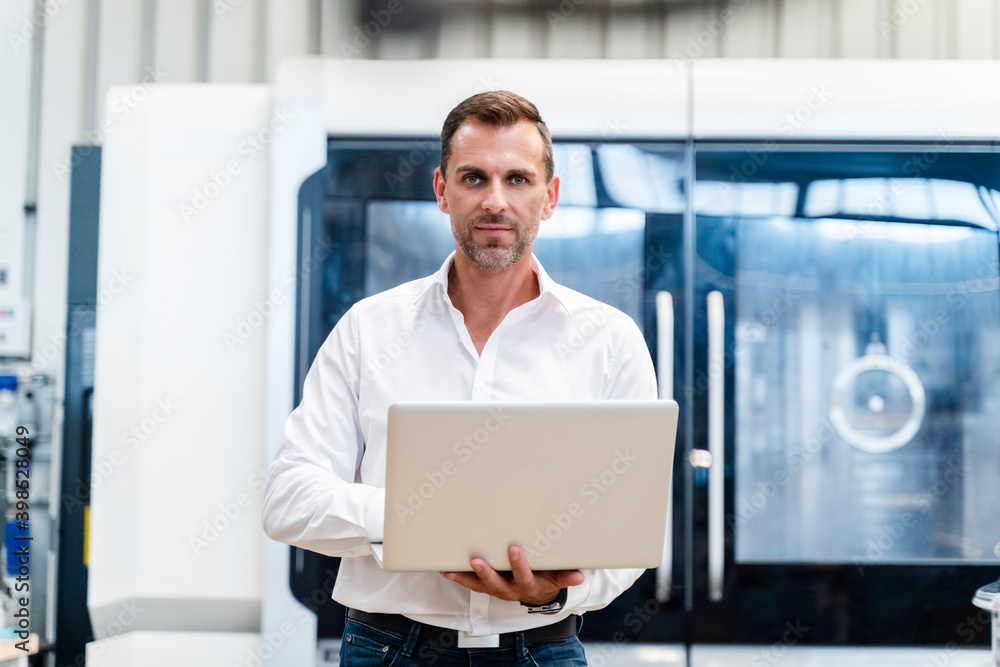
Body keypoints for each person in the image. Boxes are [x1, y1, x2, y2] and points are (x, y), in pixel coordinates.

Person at [262, 90, 657, 666]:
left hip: (543, 647)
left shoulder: (609, 341)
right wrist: (422, 516)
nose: (495, 201)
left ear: (549, 198)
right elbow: (288, 499)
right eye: (474, 178)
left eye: (518, 180)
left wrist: (558, 593)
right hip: (388, 648)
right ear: (442, 192)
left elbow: (633, 529)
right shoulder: (368, 329)